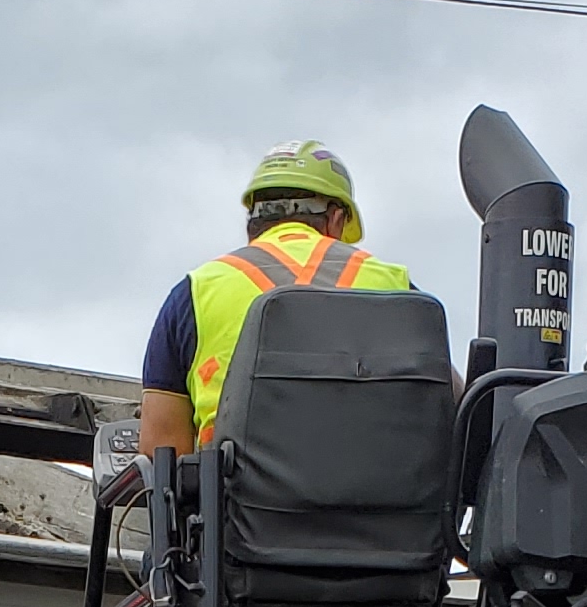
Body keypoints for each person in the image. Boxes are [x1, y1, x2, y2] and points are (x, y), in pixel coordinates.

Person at [137, 143, 416, 454]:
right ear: (337, 219)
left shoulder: (195, 293)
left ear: (253, 222)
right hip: (378, 497)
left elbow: (160, 453)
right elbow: (452, 406)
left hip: (235, 500)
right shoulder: (396, 287)